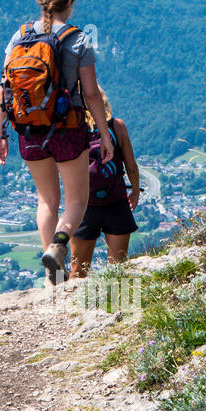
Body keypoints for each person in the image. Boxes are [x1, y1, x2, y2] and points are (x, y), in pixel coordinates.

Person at [0, 0, 112, 284]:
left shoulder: (18, 38)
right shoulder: (77, 39)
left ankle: (53, 277)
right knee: (77, 201)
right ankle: (58, 246)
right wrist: (102, 132)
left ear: (42, 0)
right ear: (70, 3)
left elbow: (4, 90)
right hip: (68, 129)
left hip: (29, 130)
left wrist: (0, 134)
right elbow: (91, 93)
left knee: (46, 200)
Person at [68, 85, 141, 279]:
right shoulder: (117, 126)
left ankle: (69, 308)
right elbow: (131, 166)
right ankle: (119, 308)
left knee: (78, 271)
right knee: (118, 269)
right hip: (116, 201)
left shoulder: (72, 130)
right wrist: (135, 191)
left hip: (83, 205)